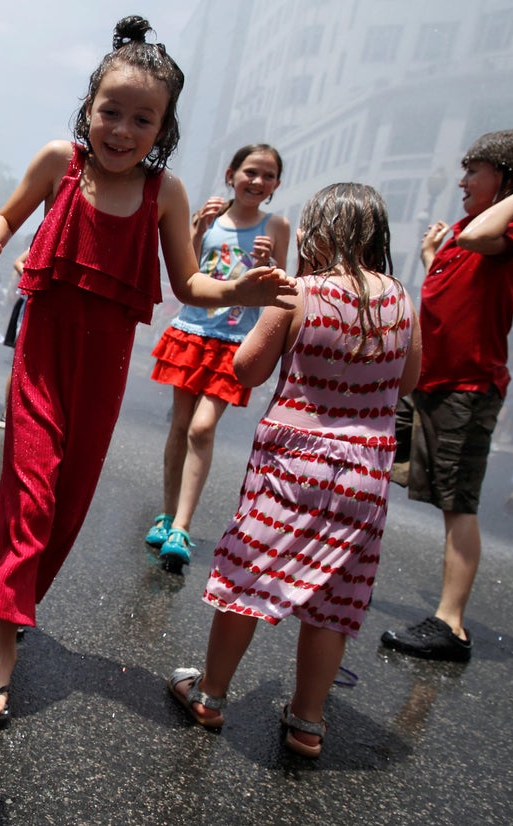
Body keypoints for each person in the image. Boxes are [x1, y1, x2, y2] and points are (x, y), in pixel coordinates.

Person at [0, 15, 296, 728]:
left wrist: (240, 292)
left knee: (68, 503)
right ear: (89, 108)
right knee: (32, 491)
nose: (122, 129)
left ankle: (13, 601)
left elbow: (190, 284)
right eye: (111, 111)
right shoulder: (58, 162)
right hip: (44, 361)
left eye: (143, 118)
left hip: (102, 374)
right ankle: (4, 647)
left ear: (162, 128)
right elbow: (4, 222)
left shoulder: (166, 193)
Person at [168, 182, 421, 758]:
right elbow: (407, 382)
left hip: (293, 462)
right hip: (365, 471)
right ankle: (307, 721)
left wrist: (271, 312)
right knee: (336, 593)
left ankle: (210, 695)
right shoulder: (402, 299)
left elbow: (248, 368)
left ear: (317, 235)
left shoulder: (300, 291)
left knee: (246, 573)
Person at [381, 129, 513, 663]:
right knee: (372, 458)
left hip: (467, 389)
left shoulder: (512, 230)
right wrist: (426, 259)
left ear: (508, 180)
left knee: (457, 504)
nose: (462, 181)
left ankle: (452, 625)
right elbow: (448, 304)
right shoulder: (463, 232)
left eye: (475, 171)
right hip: (424, 381)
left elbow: (481, 238)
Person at [146, 144, 291, 570]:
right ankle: (167, 514)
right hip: (193, 331)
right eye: (250, 172)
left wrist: (270, 263)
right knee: (179, 426)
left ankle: (183, 526)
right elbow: (184, 270)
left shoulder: (277, 226)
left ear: (276, 185)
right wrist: (196, 228)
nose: (257, 181)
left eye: (267, 176)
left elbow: (285, 287)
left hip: (235, 341)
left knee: (202, 428)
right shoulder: (210, 219)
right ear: (231, 174)